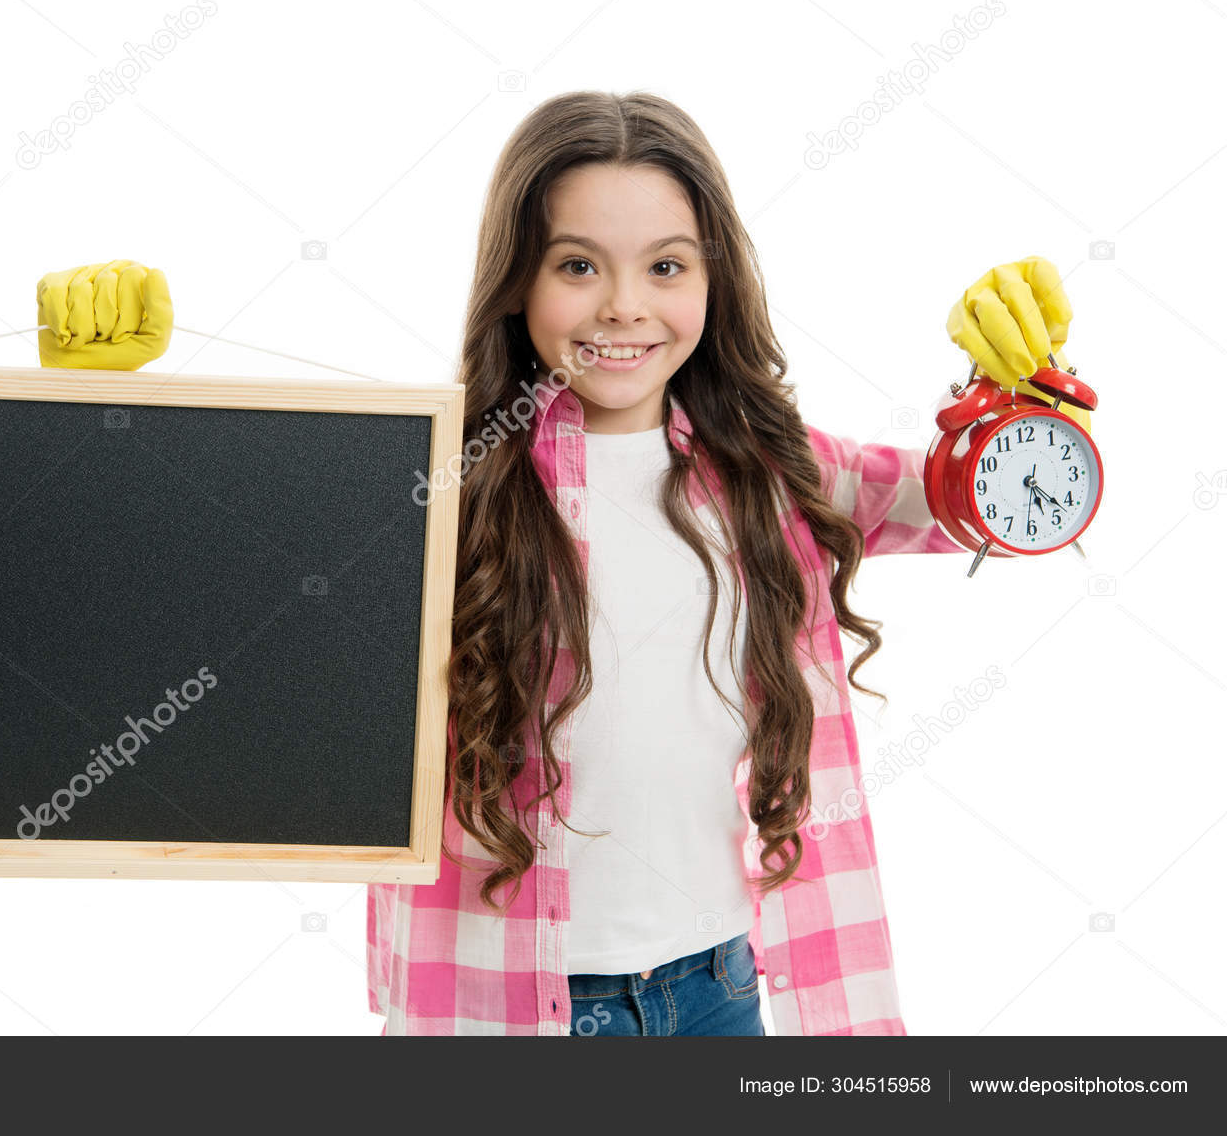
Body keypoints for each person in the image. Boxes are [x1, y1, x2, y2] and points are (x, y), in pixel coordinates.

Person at [365, 89, 1087, 1036]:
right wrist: (107, 400)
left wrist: (1020, 399)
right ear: (516, 281)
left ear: (714, 279)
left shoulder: (770, 470)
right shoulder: (439, 483)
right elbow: (218, 585)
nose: (624, 304)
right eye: (577, 264)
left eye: (666, 265)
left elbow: (984, 504)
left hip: (716, 993)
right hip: (507, 1011)